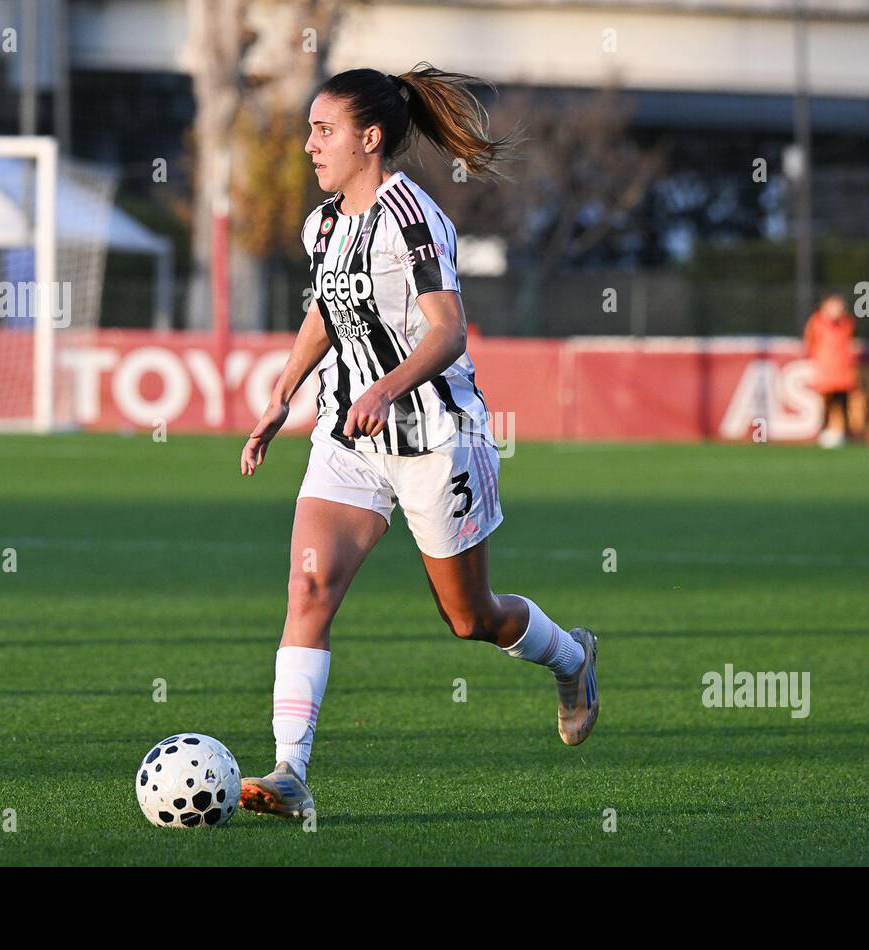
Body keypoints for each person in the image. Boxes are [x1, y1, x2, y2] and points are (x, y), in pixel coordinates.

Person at [236, 65, 599, 819]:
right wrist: (283, 396)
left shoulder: (414, 219)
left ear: (370, 138)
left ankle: (572, 657)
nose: (309, 145)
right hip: (351, 438)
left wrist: (383, 388)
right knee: (308, 588)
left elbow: (448, 330)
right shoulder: (324, 222)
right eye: (310, 130)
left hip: (436, 437)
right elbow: (323, 316)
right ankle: (290, 772)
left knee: (471, 619)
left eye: (323, 130)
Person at [803, 292, 858, 448]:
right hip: (826, 370)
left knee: (843, 403)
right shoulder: (816, 322)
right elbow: (810, 343)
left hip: (843, 370)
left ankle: (846, 434)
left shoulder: (847, 323)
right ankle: (824, 432)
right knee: (826, 403)